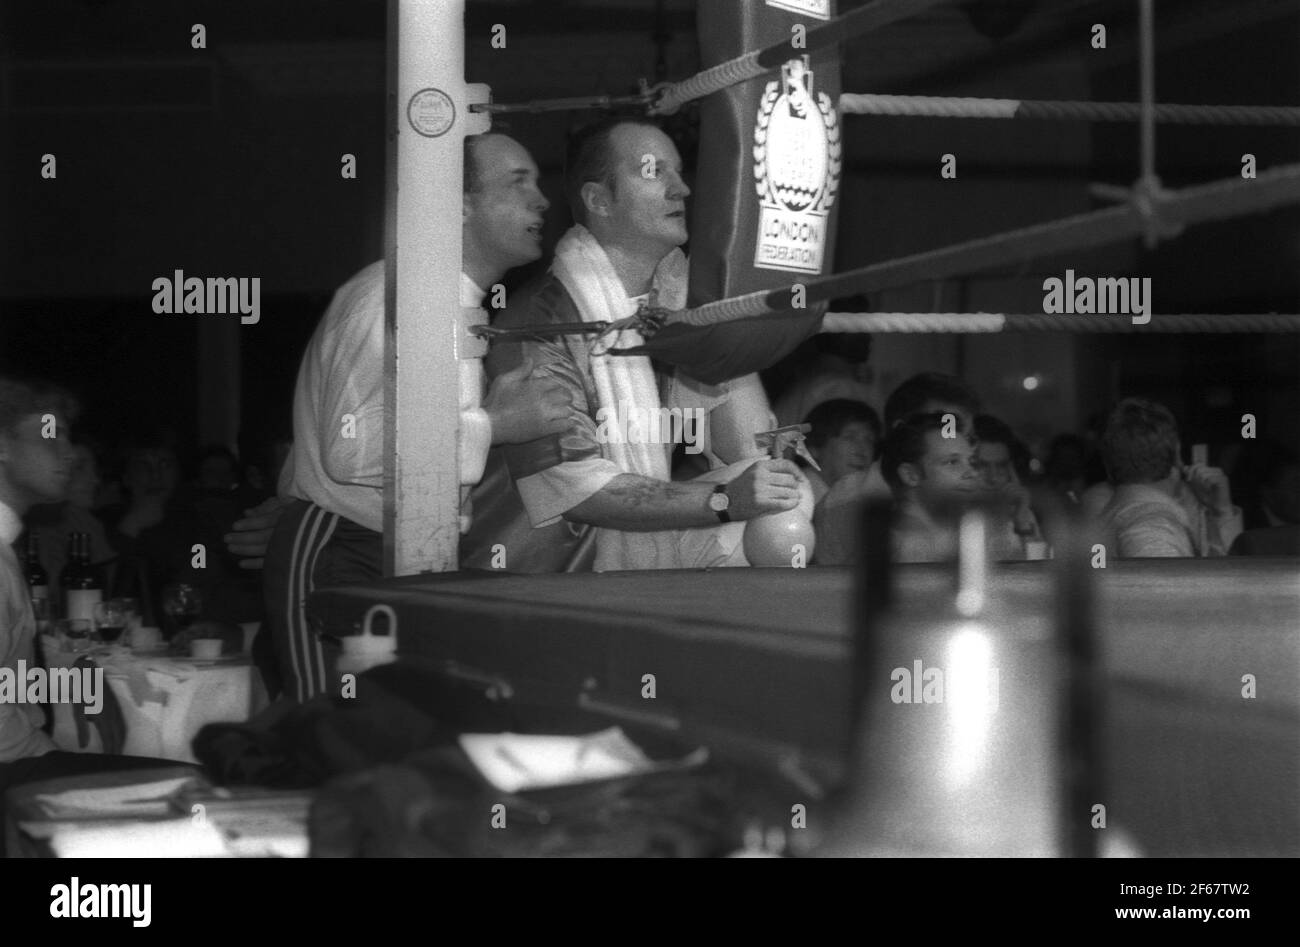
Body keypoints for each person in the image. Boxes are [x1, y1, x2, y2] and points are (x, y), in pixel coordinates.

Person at [264, 131, 573, 702]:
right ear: (455, 201)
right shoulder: (391, 294)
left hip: (408, 552)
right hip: (344, 549)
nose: (543, 200)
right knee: (333, 734)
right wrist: (496, 424)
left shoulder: (454, 302)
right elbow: (352, 451)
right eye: (517, 182)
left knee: (385, 737)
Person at [462, 117, 802, 574]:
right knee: (767, 511)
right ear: (599, 200)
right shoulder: (538, 320)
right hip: (540, 576)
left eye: (678, 172)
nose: (681, 188)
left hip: (642, 548)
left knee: (786, 508)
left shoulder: (676, 307)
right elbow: (581, 490)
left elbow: (751, 452)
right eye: (653, 170)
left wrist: (719, 326)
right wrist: (722, 499)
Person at [0, 375, 188, 847]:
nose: (68, 452)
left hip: (23, 761)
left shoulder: (7, 546)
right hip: (12, 774)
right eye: (50, 435)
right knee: (195, 792)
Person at [814, 373, 981, 565]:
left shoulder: (967, 498)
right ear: (901, 429)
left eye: (969, 437)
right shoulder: (851, 500)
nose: (961, 444)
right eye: (944, 428)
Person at [1094, 398, 1242, 558]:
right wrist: (1222, 511)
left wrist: (1219, 513)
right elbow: (1230, 582)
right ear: (1177, 454)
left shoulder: (1120, 515)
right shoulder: (1153, 528)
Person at [879, 412, 1023, 563]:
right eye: (952, 462)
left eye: (971, 462)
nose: (972, 473)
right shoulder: (887, 547)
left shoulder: (975, 538)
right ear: (910, 475)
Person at [972, 414, 1042, 551]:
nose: (992, 477)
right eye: (982, 466)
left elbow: (1041, 568)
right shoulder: (950, 515)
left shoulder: (1020, 511)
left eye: (1001, 466)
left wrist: (1022, 519)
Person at [801, 399, 881, 507]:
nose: (862, 450)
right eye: (850, 437)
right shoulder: (796, 495)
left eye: (869, 440)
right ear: (814, 449)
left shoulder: (867, 497)